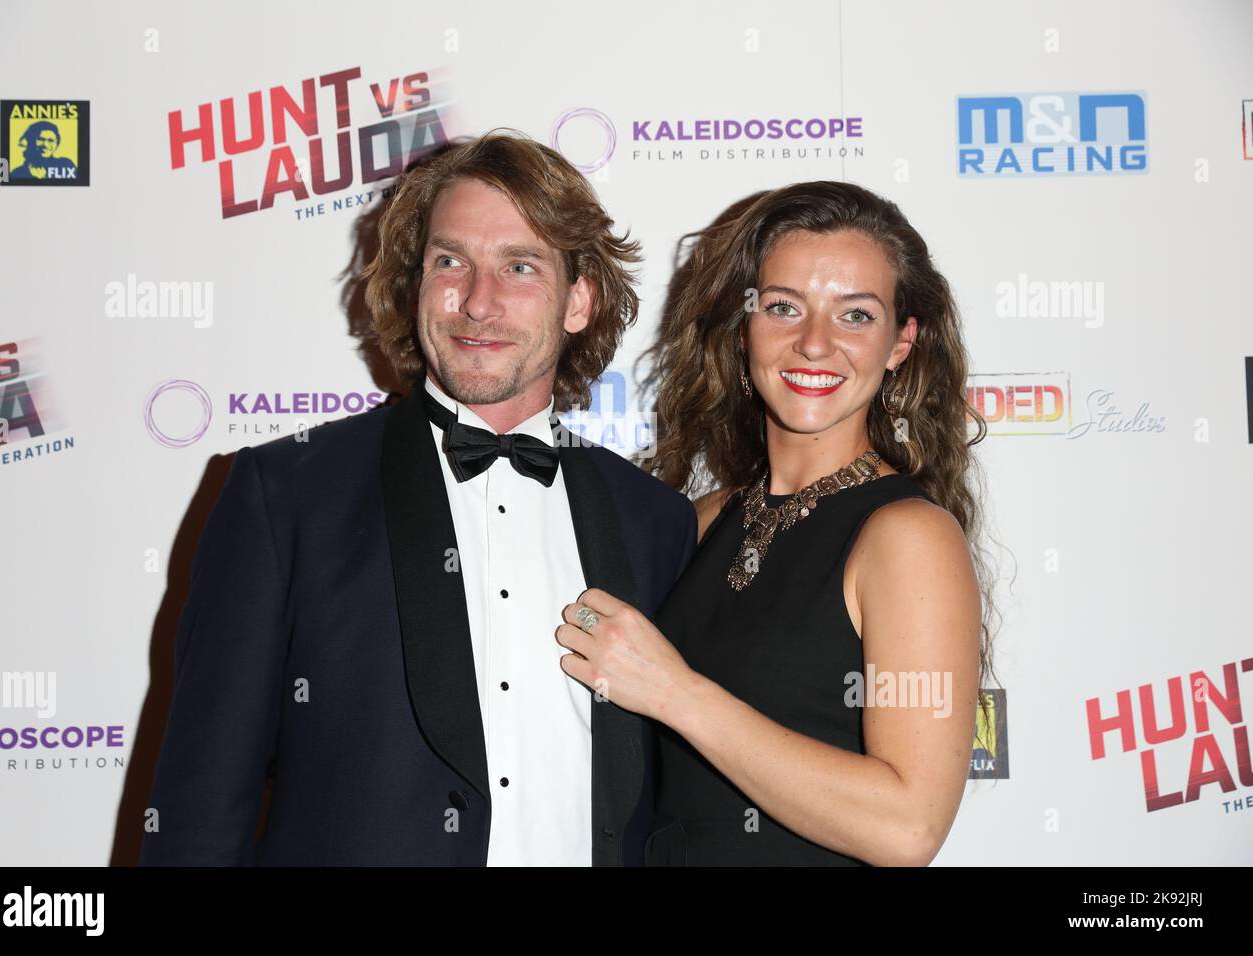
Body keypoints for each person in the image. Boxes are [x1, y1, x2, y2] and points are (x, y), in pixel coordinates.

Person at [139, 130, 698, 866]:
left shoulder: (654, 521)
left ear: (578, 301)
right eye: (449, 262)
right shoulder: (286, 497)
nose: (477, 302)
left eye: (520, 267)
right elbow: (199, 813)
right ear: (414, 286)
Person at [553, 181, 998, 866]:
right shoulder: (697, 522)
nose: (814, 344)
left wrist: (676, 693)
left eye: (855, 316)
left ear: (901, 343)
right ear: (743, 324)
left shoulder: (907, 536)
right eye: (784, 307)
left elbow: (907, 827)